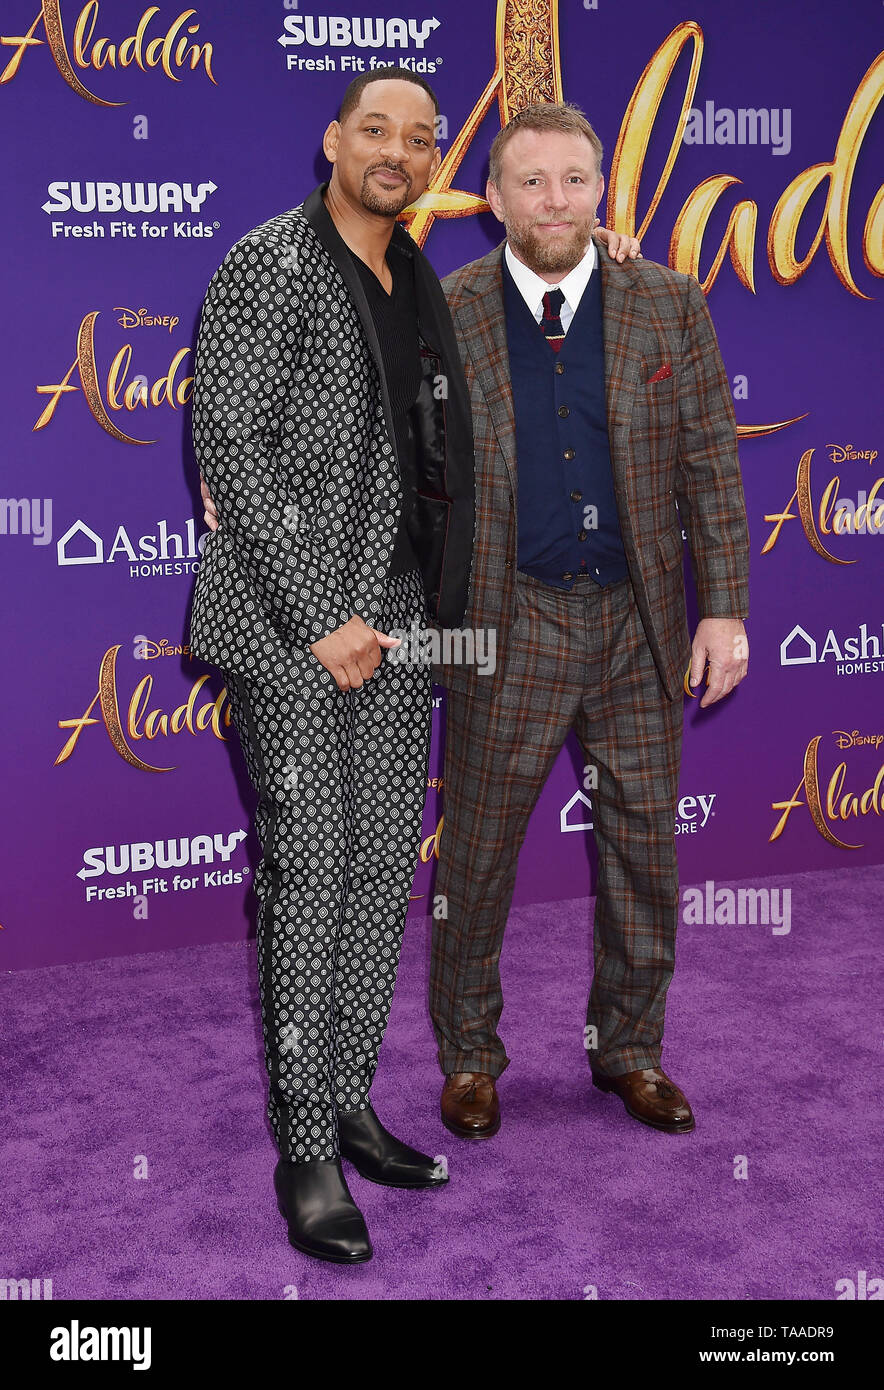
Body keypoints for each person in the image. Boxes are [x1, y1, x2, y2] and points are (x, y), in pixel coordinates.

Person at [195, 78, 640, 1262]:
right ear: (333, 143)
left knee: (380, 872)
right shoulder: (266, 266)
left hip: (402, 629)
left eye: (420, 139)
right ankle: (303, 1154)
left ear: (437, 162)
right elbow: (224, 444)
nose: (397, 153)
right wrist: (318, 613)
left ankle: (347, 1103)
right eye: (376, 132)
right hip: (300, 631)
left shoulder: (419, 282)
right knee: (311, 878)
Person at [431, 103, 750, 1143]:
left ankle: (629, 1049)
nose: (554, 200)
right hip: (505, 623)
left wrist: (726, 611)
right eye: (531, 182)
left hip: (637, 625)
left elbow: (709, 463)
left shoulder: (666, 302)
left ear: (600, 190)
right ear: (495, 199)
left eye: (573, 179)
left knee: (639, 854)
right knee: (476, 859)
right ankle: (471, 1058)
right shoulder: (450, 310)